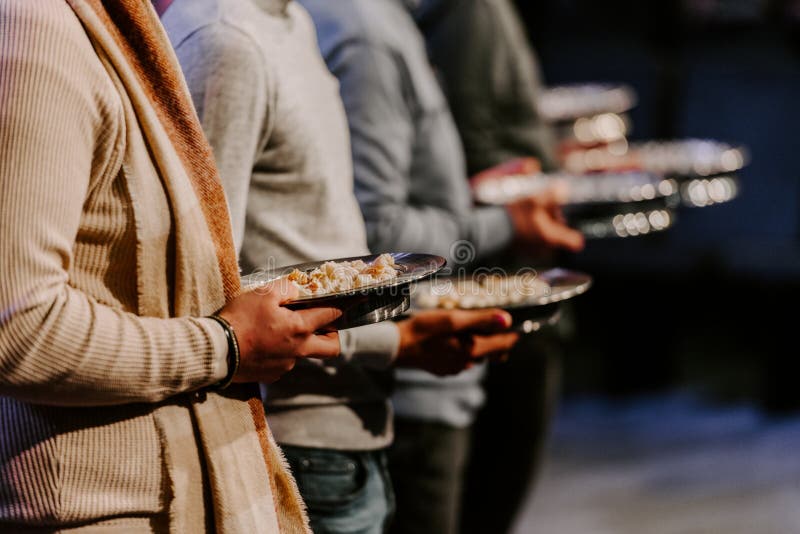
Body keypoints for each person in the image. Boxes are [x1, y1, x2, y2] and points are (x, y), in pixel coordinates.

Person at [161, 1, 520, 532]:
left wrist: (398, 340)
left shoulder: (287, 20)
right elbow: (211, 300)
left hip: (347, 425)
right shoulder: (225, 39)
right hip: (292, 444)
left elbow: (315, 245)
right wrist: (395, 345)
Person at [0, 1, 341, 531]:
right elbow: (17, 329)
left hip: (165, 496)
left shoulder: (114, 20)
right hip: (103, 509)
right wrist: (225, 345)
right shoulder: (37, 30)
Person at [299, 1, 584, 532]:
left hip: (409, 380)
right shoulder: (367, 34)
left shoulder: (365, 22)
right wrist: (505, 222)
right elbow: (377, 238)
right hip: (407, 387)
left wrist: (473, 198)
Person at [411, 2, 567, 532]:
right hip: (488, 279)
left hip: (495, 265)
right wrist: (516, 207)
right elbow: (469, 152)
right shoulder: (469, 11)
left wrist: (560, 159)